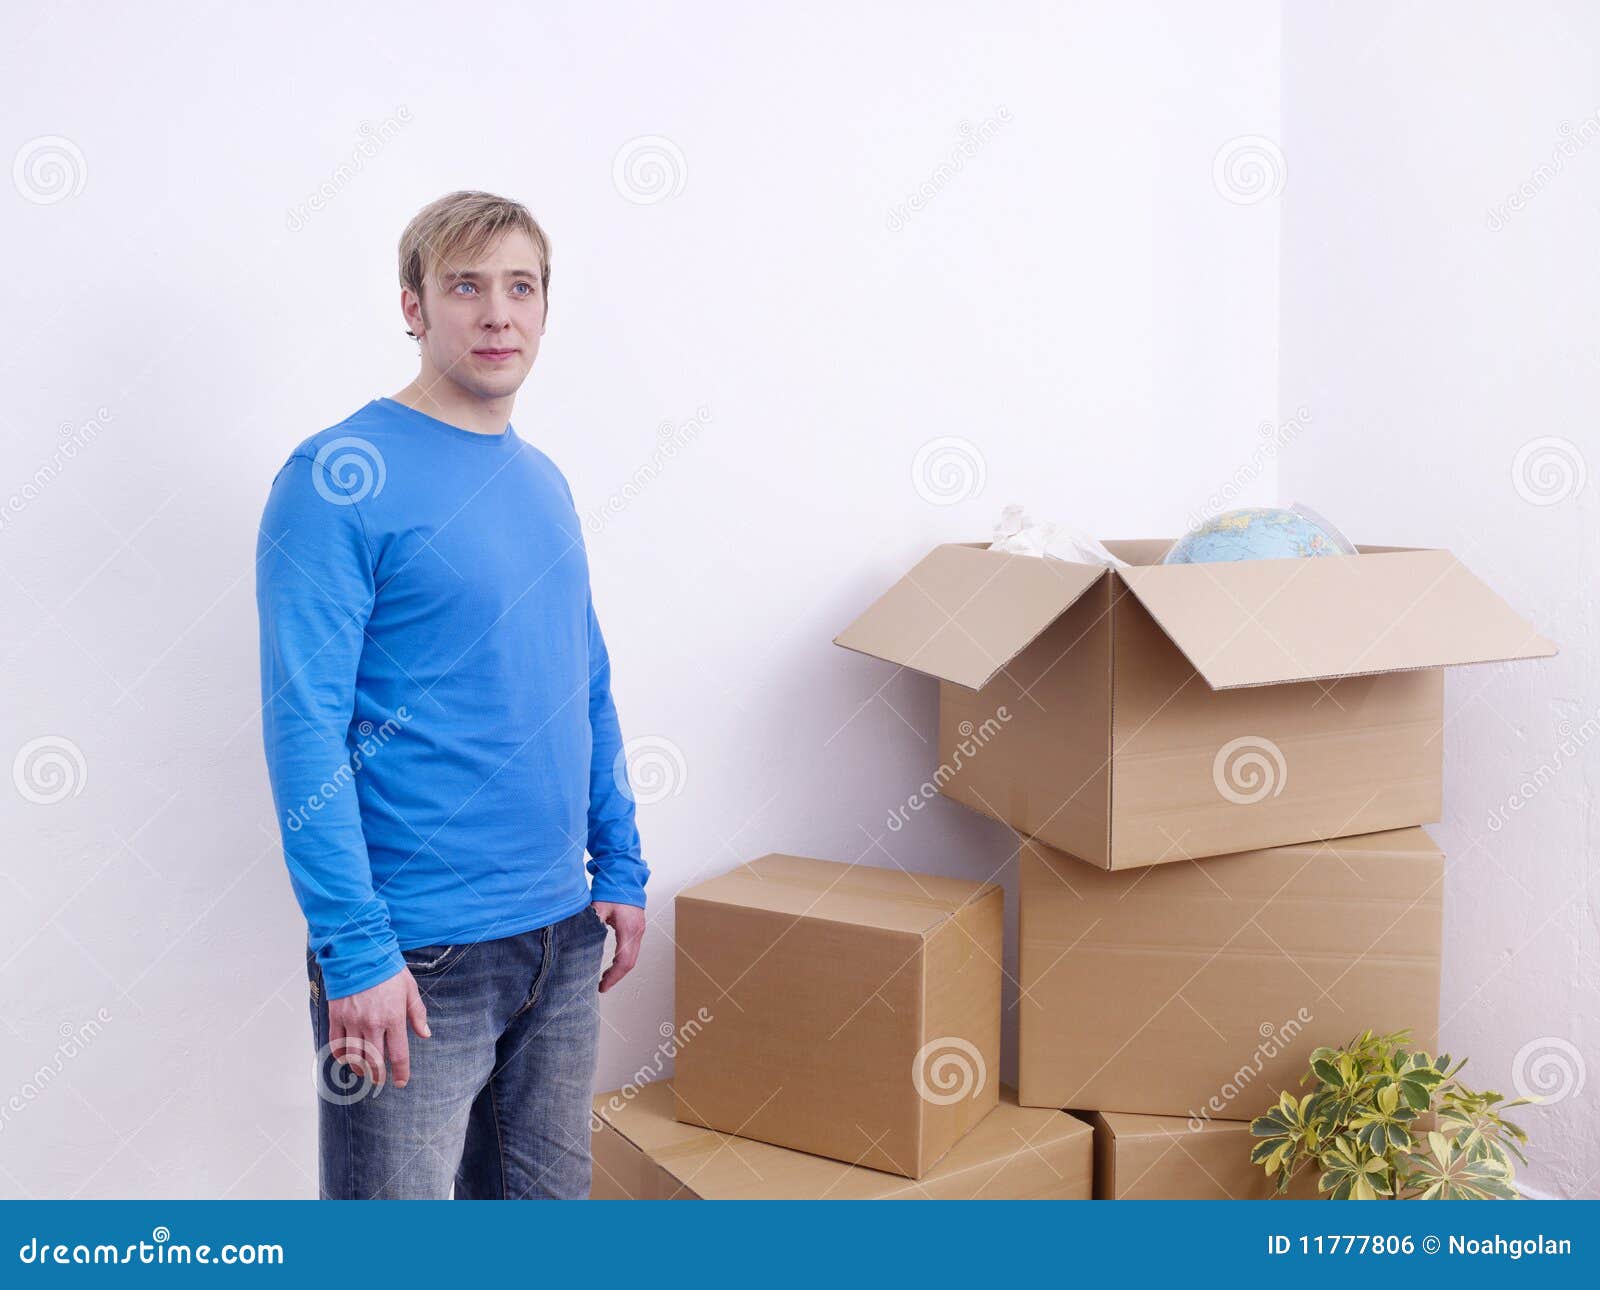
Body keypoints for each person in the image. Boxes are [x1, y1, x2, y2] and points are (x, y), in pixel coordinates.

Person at [254, 190, 648, 1199]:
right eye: (465, 286)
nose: (497, 313)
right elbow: (306, 724)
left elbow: (583, 680)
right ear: (413, 307)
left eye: (521, 287)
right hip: (416, 956)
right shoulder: (337, 476)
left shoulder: (544, 480)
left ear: (546, 312)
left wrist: (621, 859)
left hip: (561, 939)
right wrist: (354, 949)